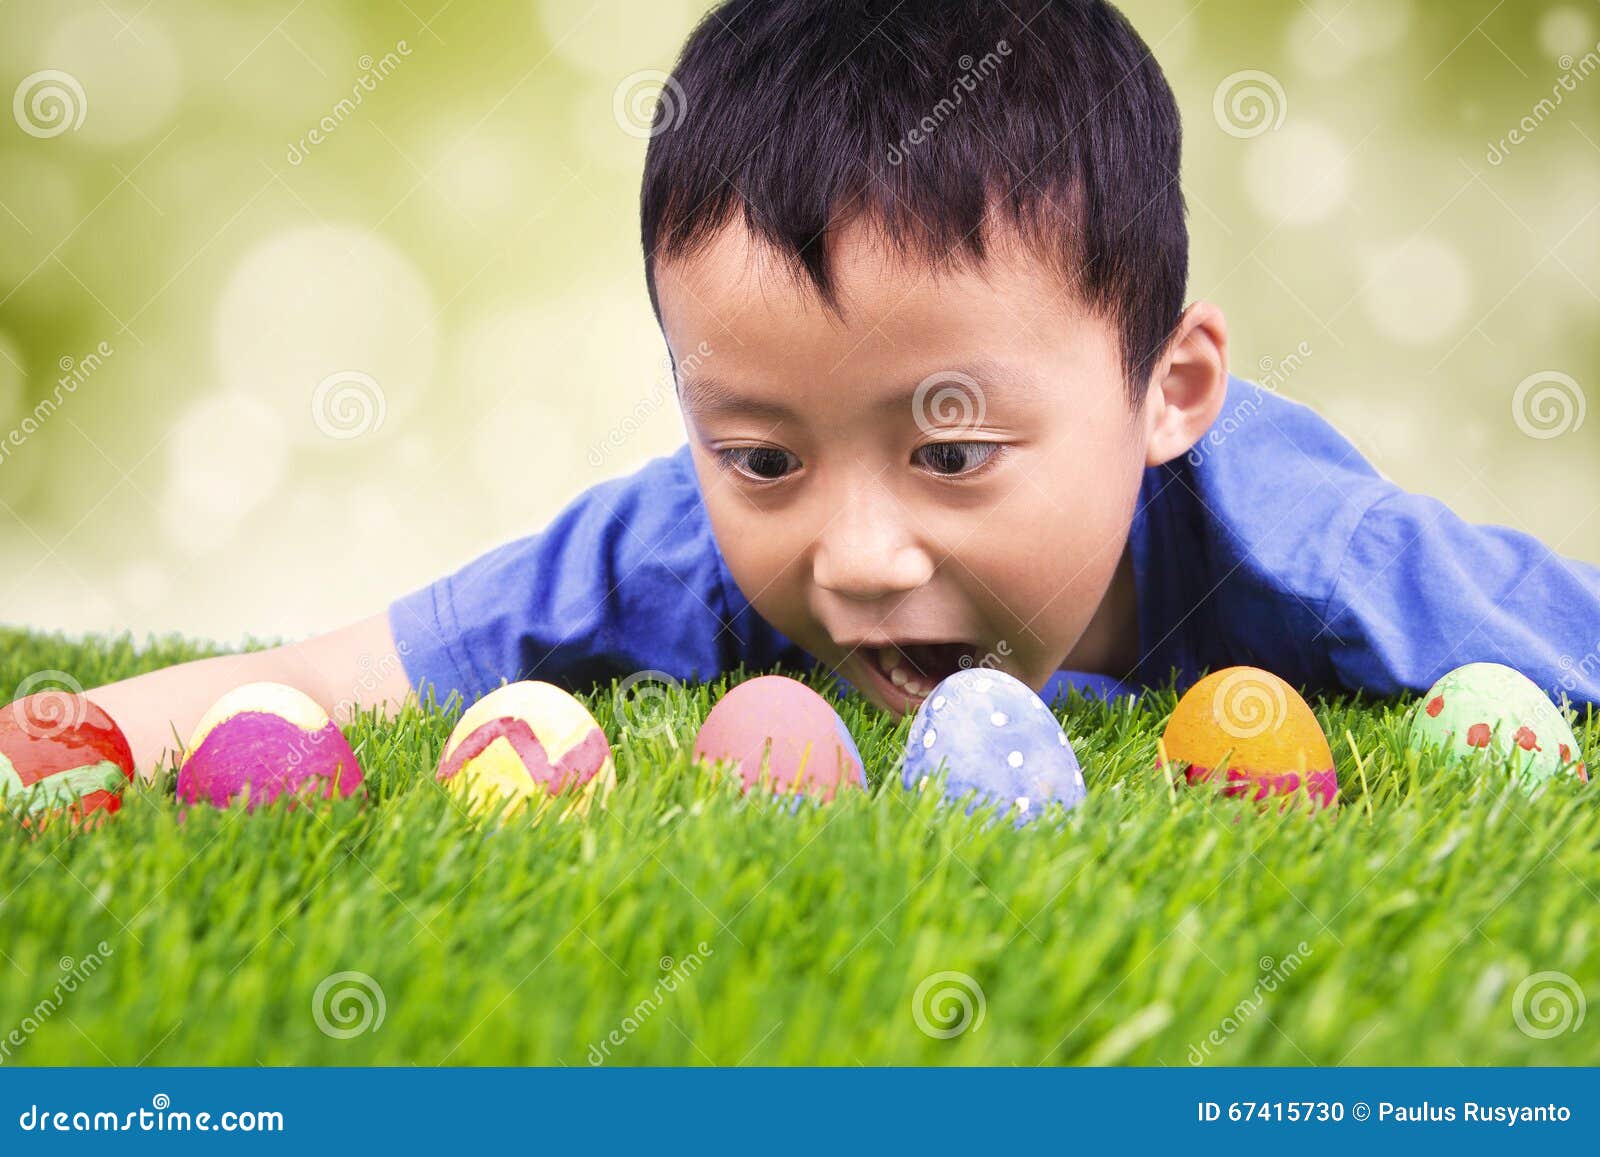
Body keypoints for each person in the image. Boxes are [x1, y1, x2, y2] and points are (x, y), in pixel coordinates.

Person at [86, 0, 1600, 775]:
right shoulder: (683, 546)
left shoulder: (1334, 563)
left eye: (952, 454)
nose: (855, 556)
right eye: (760, 455)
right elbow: (355, 673)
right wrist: (71, 738)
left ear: (1169, 387)